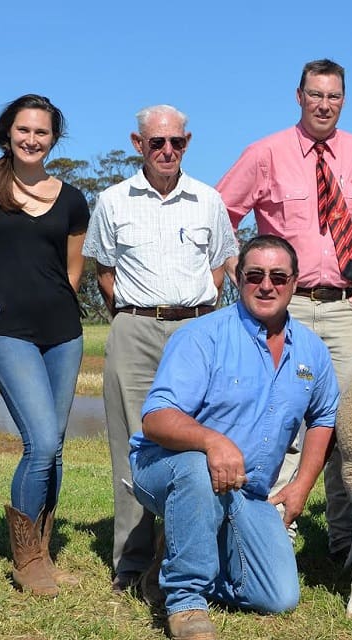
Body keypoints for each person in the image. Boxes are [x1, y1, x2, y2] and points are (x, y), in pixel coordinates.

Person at [216, 58, 352, 559]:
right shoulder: (266, 153)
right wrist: (246, 274)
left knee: (346, 425)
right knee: (279, 420)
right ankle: (270, 529)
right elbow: (221, 214)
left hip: (345, 307)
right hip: (285, 309)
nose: (324, 104)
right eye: (316, 94)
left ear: (343, 100)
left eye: (334, 96)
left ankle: (344, 539)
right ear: (299, 96)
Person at [130, 236, 339, 640]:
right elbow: (156, 419)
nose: (266, 285)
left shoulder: (312, 352)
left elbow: (324, 418)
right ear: (237, 281)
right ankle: (186, 598)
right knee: (195, 466)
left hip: (247, 490)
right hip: (168, 469)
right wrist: (212, 440)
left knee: (278, 597)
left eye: (278, 276)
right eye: (254, 276)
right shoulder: (202, 337)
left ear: (294, 283)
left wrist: (301, 485)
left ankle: (174, 554)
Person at [82, 104, 238, 593]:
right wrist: (136, 316)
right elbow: (104, 272)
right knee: (131, 439)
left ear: (187, 142)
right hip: (135, 327)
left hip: (197, 329)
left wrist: (196, 313)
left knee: (199, 436)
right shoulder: (112, 201)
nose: (167, 151)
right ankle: (132, 559)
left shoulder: (208, 199)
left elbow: (220, 266)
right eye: (157, 143)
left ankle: (189, 553)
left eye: (177, 142)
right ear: (138, 144)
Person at [0, 94, 90, 596]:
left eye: (41, 132)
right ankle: (27, 560)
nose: (32, 140)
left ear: (53, 139)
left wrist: (58, 305)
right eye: (24, 130)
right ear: (7, 133)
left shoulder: (73, 199)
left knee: (55, 450)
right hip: (8, 331)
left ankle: (42, 550)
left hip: (64, 335)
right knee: (39, 443)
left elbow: (73, 267)